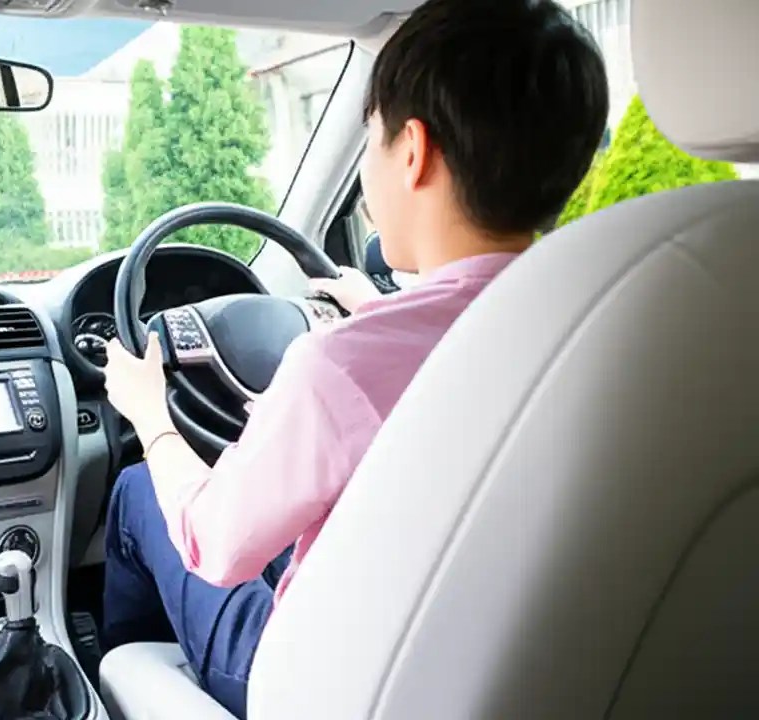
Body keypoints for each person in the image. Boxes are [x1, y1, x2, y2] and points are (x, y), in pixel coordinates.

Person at [98, 0, 609, 717]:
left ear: (412, 151)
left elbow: (215, 544)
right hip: (507, 667)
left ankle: (121, 678)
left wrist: (151, 415)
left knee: (138, 493)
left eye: (371, 137)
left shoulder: (340, 366)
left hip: (329, 686)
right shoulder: (599, 317)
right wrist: (375, 309)